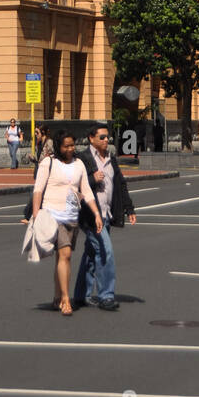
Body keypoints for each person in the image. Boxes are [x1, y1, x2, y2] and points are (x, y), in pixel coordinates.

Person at [32, 130, 101, 316]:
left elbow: (86, 190)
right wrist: (36, 214)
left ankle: (56, 296)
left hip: (72, 217)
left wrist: (96, 213)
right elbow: (38, 189)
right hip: (53, 215)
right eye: (66, 146)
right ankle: (65, 299)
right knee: (66, 254)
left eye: (72, 145)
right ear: (58, 147)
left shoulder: (78, 164)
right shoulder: (49, 162)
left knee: (61, 258)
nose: (70, 149)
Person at [73, 122, 136, 312]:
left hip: (106, 213)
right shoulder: (83, 159)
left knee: (92, 254)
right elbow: (75, 185)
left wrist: (129, 208)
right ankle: (106, 296)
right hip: (91, 215)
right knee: (105, 251)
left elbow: (120, 183)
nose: (106, 140)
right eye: (102, 137)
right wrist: (93, 179)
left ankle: (80, 295)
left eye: (107, 137)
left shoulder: (110, 158)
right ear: (91, 139)